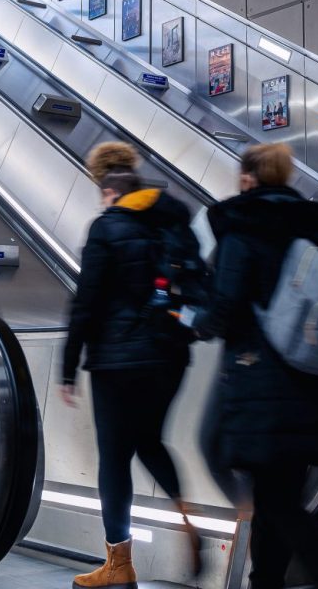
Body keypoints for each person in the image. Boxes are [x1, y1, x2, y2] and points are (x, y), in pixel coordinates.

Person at [206, 143, 318, 589]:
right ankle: (266, 582)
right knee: (281, 496)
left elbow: (225, 309)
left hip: (261, 382)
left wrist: (195, 319)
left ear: (248, 177)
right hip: (311, 382)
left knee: (273, 499)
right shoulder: (311, 231)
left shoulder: (241, 229)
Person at [60, 142, 201, 589]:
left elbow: (87, 303)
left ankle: (119, 564)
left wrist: (68, 366)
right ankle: (185, 510)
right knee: (149, 440)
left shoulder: (107, 227)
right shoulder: (176, 222)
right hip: (171, 354)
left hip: (117, 359)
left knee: (115, 459)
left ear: (105, 188)